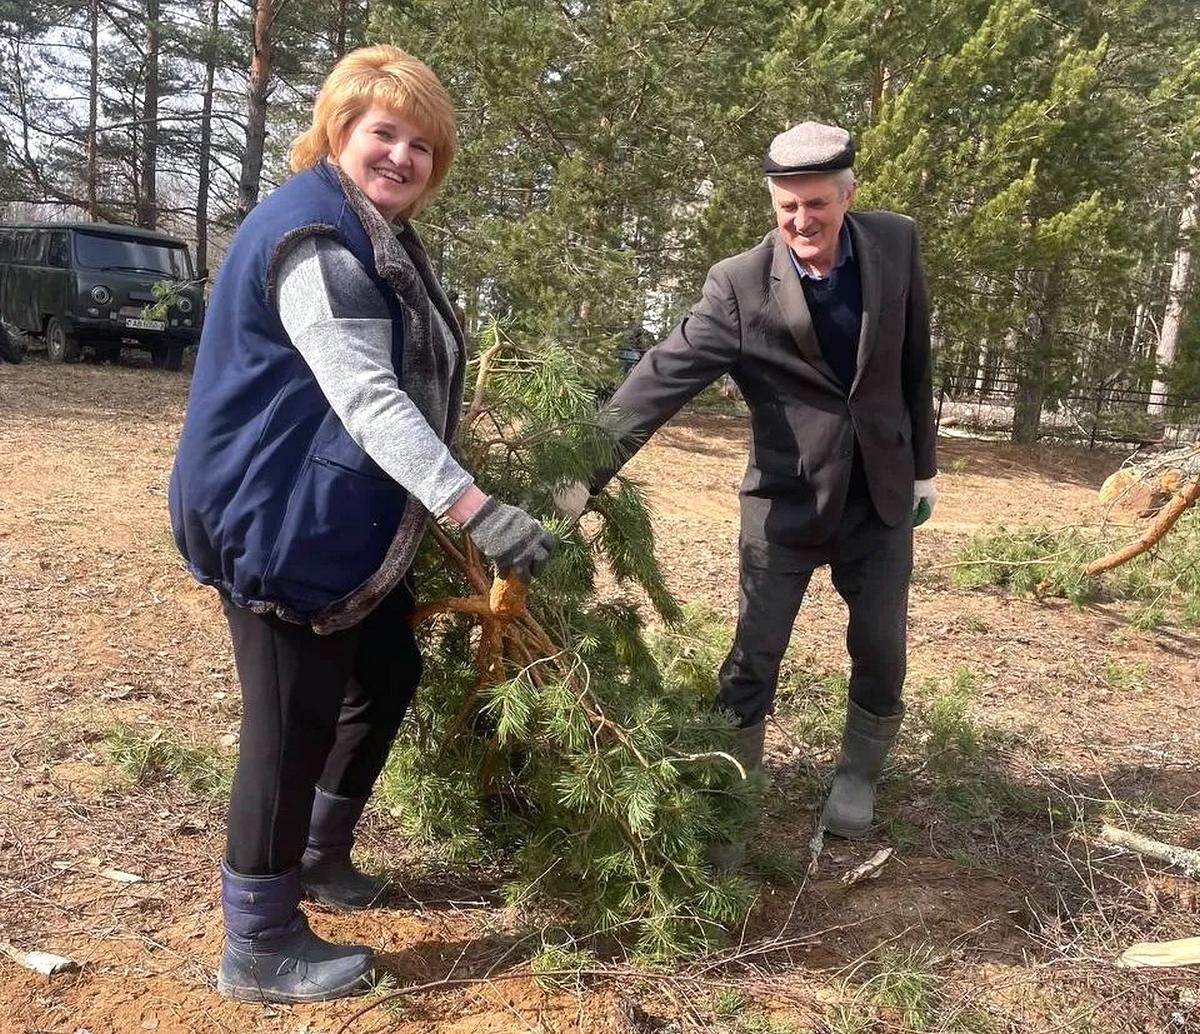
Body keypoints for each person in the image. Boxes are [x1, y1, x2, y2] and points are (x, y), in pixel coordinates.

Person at [168, 45, 555, 1004]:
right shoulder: (319, 239)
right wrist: (475, 506)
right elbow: (369, 398)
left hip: (339, 515)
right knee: (288, 721)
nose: (403, 156)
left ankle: (315, 853)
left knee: (384, 672)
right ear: (339, 129)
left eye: (424, 144)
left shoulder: (372, 226)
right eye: (385, 132)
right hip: (281, 516)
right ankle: (257, 941)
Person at [558, 121, 937, 862]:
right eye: (788, 206)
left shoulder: (896, 243)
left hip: (880, 498)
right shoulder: (738, 285)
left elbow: (916, 353)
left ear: (849, 194)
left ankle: (857, 777)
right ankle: (733, 798)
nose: (803, 221)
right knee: (752, 658)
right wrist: (576, 478)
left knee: (881, 647)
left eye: (818, 203)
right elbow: (656, 383)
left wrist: (923, 464)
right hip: (786, 505)